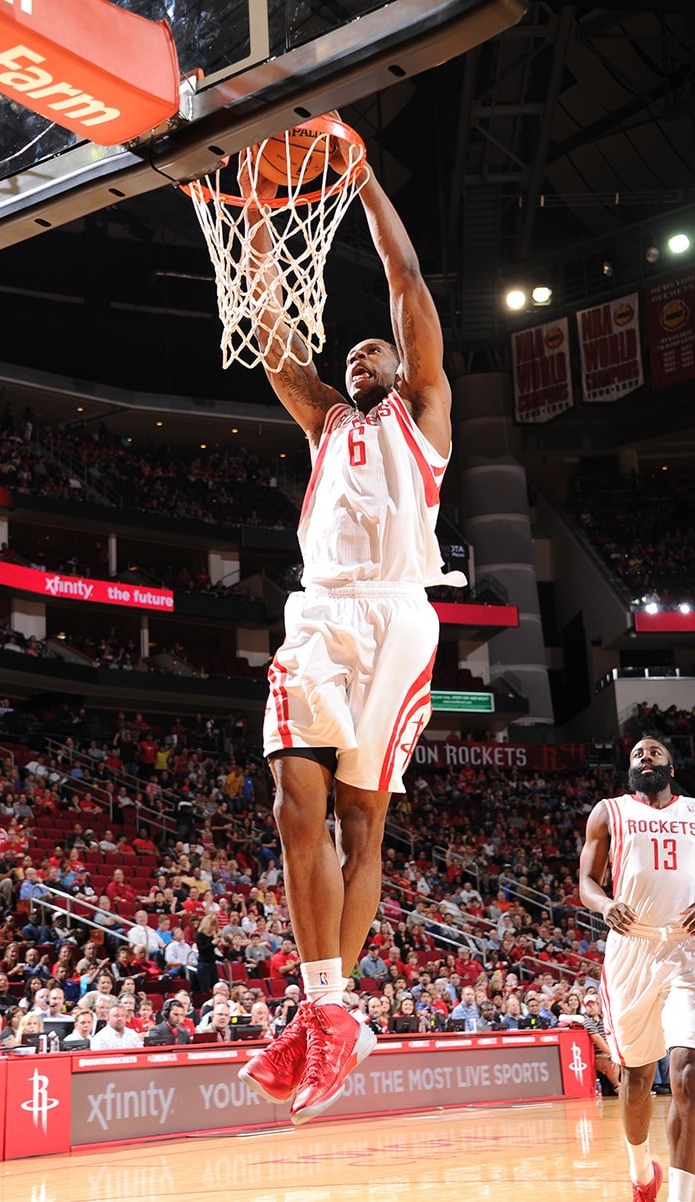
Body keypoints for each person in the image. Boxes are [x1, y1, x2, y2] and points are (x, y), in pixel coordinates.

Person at [236, 116, 455, 1125]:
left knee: (363, 822)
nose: (363, 354)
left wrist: (361, 180)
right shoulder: (325, 416)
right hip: (322, 615)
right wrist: (250, 227)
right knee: (294, 798)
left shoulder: (422, 414)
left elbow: (406, 285)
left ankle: (336, 1011)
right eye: (354, 350)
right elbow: (276, 343)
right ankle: (324, 1009)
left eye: (377, 349)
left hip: (401, 617)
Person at [579, 736, 695, 1202]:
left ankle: (682, 1195)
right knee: (638, 1079)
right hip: (631, 951)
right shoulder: (609, 812)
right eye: (637, 754)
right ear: (630, 768)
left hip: (685, 950)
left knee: (687, 1073)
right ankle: (641, 1169)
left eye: (655, 753)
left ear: (671, 763)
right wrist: (605, 905)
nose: (646, 757)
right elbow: (587, 881)